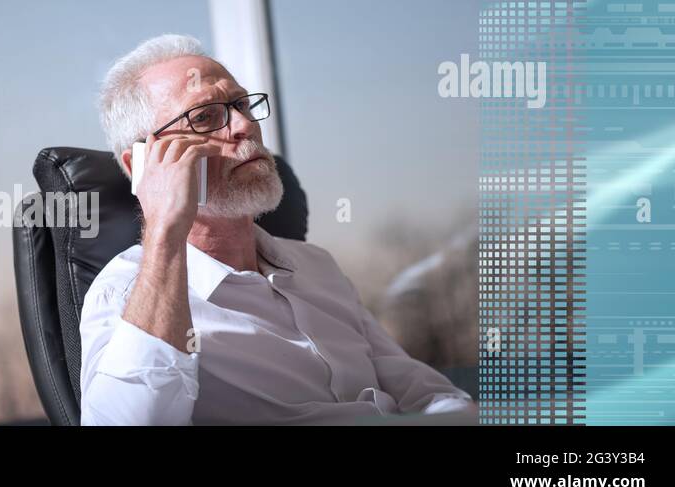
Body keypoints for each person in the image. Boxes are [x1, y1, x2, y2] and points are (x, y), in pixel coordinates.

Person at [81, 34, 475, 425]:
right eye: (203, 116)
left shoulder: (317, 266)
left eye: (240, 104)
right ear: (143, 166)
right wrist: (165, 231)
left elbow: (426, 393)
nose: (243, 126)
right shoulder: (120, 292)